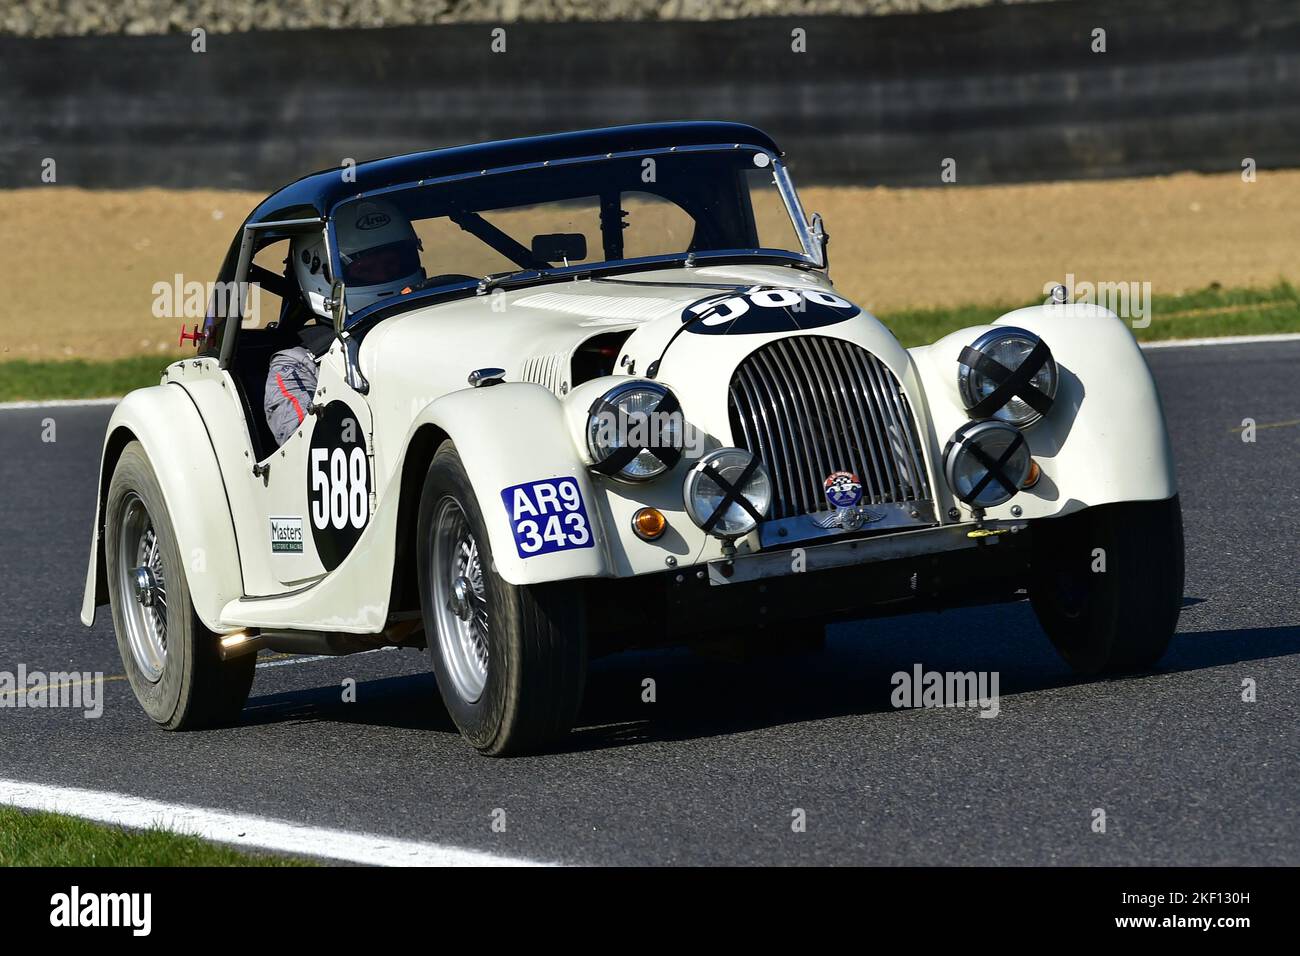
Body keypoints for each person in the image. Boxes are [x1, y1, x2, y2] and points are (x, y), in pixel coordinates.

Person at [264, 198, 424, 445]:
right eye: (367, 269)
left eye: (395, 265)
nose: (384, 276)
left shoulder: (435, 328)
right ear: (318, 273)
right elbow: (306, 446)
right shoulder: (295, 365)